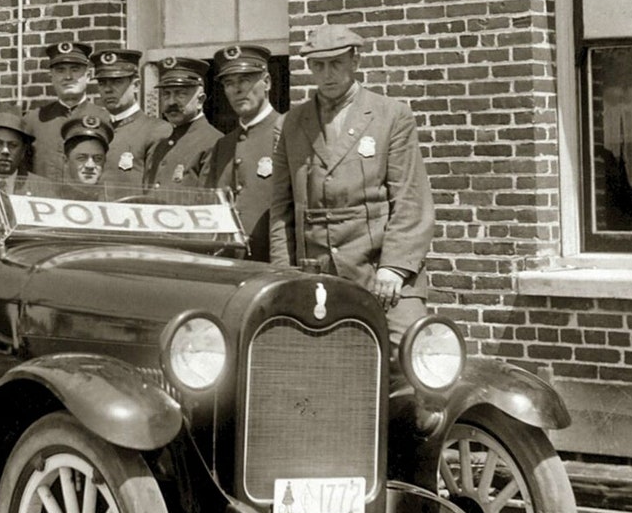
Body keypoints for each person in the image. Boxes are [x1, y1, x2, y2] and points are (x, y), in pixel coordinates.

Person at [269, 24, 435, 356]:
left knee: (414, 356)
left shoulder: (391, 116)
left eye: (336, 64)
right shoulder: (289, 124)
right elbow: (281, 211)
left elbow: (410, 200)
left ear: (355, 61)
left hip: (381, 274)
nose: (327, 74)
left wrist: (394, 268)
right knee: (284, 356)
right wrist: (285, 276)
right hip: (315, 274)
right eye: (318, 66)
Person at [201, 44, 280, 261]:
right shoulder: (223, 145)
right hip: (229, 262)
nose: (237, 90)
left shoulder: (287, 133)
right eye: (229, 83)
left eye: (245, 80)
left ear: (267, 82)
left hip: (274, 262)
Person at [91, 47, 170, 191]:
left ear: (136, 85)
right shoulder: (94, 130)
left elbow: (154, 191)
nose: (108, 89)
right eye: (102, 83)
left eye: (116, 82)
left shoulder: (156, 131)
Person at [143, 56, 223, 189]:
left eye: (180, 94)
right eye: (166, 94)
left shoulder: (214, 143)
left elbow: (208, 203)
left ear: (200, 100)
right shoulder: (159, 145)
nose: (171, 102)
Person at [22, 40, 95, 180]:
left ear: (88, 75)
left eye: (75, 69)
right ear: (52, 77)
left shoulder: (104, 119)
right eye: (60, 70)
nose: (68, 77)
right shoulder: (33, 121)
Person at [62, 112, 114, 191]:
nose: (90, 166)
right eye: (81, 158)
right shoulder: (51, 200)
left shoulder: (113, 201)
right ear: (65, 161)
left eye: (98, 159)